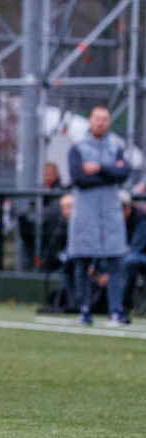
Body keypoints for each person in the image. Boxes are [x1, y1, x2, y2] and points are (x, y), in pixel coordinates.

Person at [67, 106, 131, 326]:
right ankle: (84, 309)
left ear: (109, 122)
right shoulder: (78, 147)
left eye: (105, 119)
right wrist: (110, 173)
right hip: (85, 212)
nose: (101, 122)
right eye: (97, 118)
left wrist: (99, 168)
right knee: (82, 259)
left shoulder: (116, 146)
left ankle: (116, 310)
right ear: (90, 121)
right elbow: (79, 178)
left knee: (116, 260)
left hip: (111, 213)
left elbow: (124, 173)